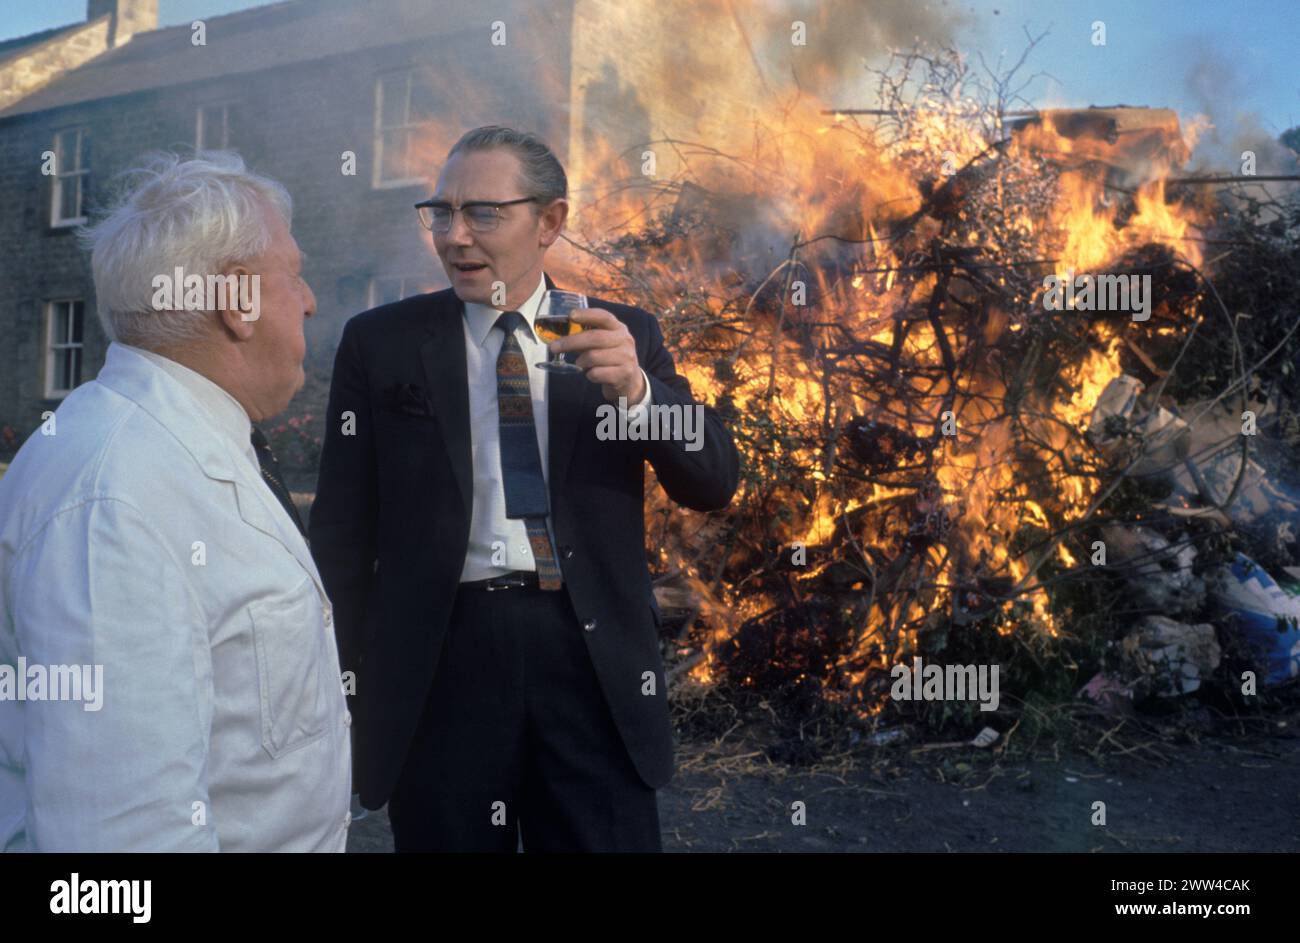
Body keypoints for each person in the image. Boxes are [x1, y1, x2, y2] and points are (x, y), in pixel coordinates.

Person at [310, 125, 739, 852]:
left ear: (550, 223)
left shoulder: (618, 331)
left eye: (483, 212)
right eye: (441, 213)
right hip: (440, 662)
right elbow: (342, 536)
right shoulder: (380, 343)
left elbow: (713, 482)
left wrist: (640, 391)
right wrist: (333, 685)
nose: (455, 237)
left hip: (590, 657)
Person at [0, 153, 351, 851]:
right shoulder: (115, 496)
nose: (309, 298)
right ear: (238, 302)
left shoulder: (177, 445)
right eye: (294, 273)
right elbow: (119, 843)